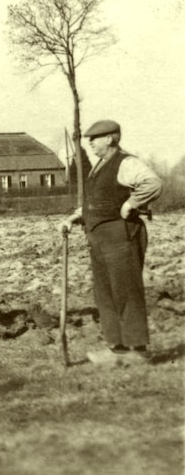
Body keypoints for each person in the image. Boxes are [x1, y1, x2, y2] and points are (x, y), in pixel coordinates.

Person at [59, 119, 162, 366]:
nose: (91, 143)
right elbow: (99, 201)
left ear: (110, 139)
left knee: (125, 291)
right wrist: (74, 217)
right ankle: (117, 348)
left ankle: (137, 350)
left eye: (95, 138)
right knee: (105, 293)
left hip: (121, 236)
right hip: (100, 239)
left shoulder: (126, 162)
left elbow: (153, 183)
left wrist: (131, 204)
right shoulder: (100, 166)